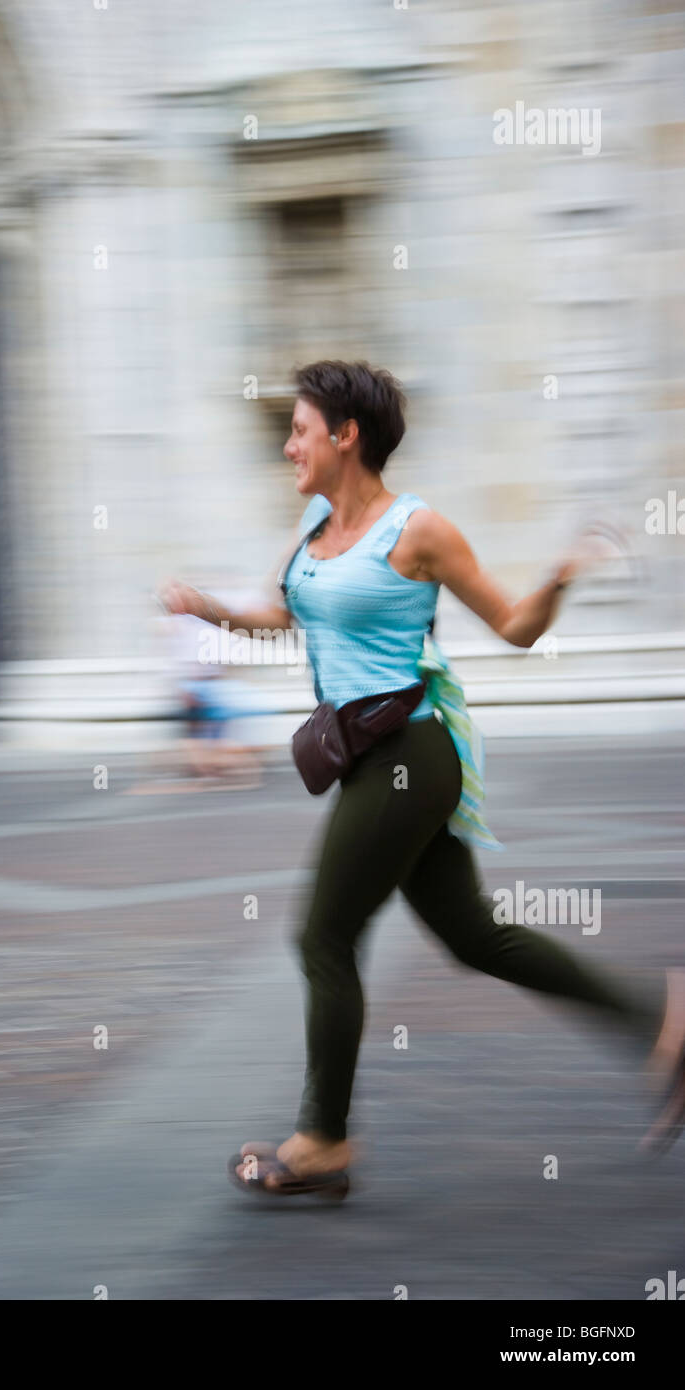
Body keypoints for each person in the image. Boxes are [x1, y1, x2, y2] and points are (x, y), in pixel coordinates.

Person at [159, 359, 685, 1198]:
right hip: (369, 758)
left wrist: (558, 578)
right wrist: (204, 609)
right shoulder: (314, 535)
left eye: (300, 430)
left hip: (410, 756)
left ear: (346, 435)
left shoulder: (417, 530)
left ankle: (323, 1139)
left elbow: (512, 625)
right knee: (475, 936)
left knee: (321, 937)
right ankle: (666, 1022)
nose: (289, 445)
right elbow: (278, 618)